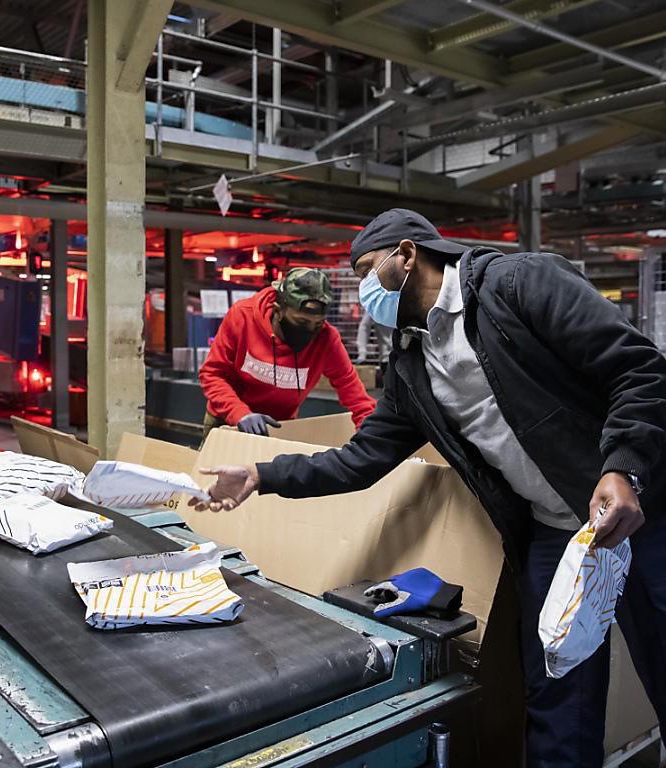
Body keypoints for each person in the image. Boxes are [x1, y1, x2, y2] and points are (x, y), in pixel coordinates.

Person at [192, 208, 666, 767]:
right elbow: (360, 460)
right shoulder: (412, 368)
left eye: (370, 270)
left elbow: (639, 370)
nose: (365, 289)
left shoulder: (519, 285)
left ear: (409, 255)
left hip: (640, 514)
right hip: (555, 535)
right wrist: (261, 475)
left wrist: (624, 467)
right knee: (559, 698)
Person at [199, 267, 376, 438]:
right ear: (278, 311)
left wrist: (372, 435)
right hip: (227, 420)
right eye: (302, 321)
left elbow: (354, 393)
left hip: (280, 426)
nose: (309, 330)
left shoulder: (326, 339)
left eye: (317, 323)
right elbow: (213, 375)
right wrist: (239, 414)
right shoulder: (242, 317)